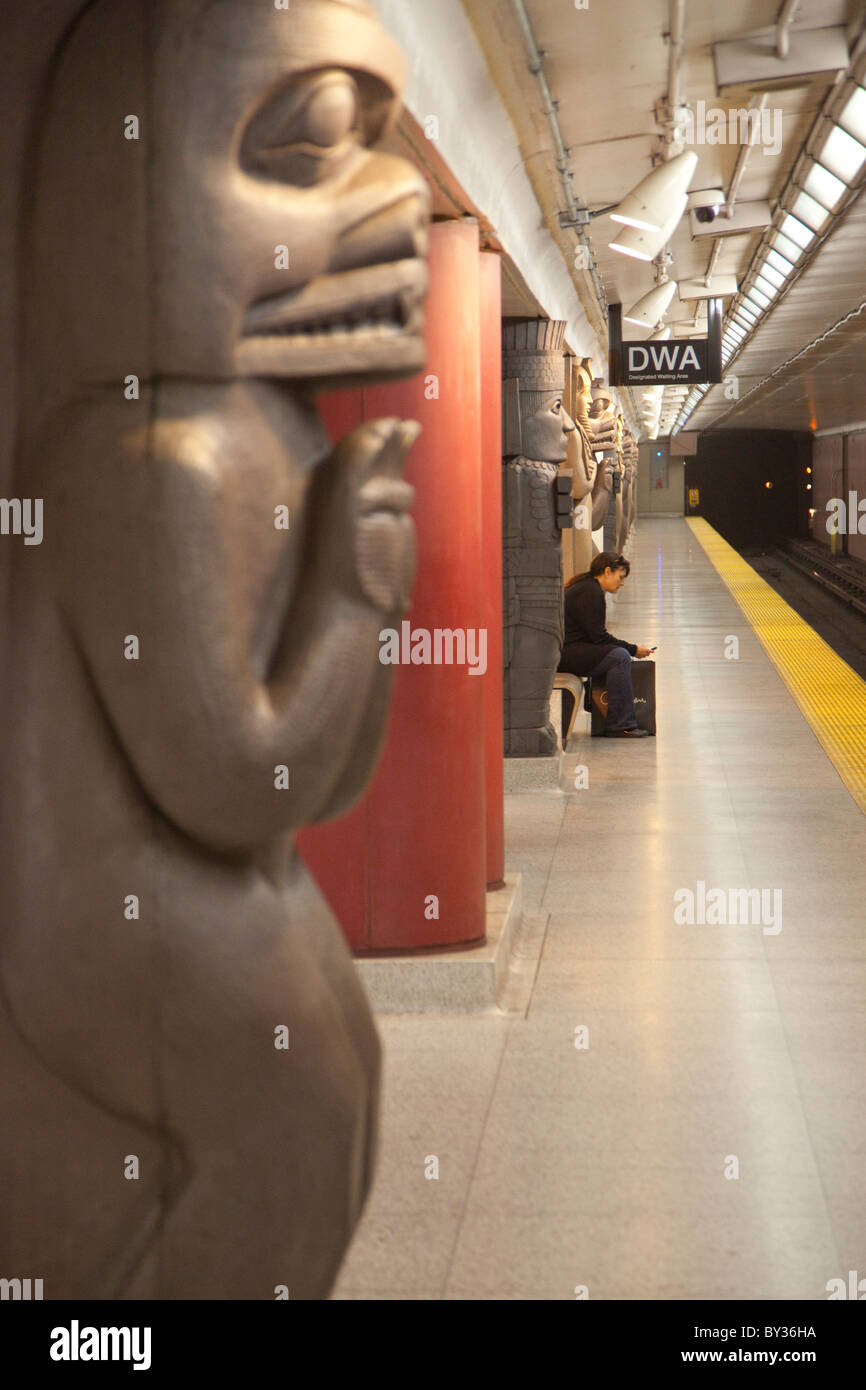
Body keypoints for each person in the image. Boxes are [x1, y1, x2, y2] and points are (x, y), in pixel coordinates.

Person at [559, 551, 653, 739]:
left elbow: (595, 638)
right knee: (619, 657)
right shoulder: (590, 592)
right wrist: (633, 649)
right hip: (566, 653)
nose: (622, 583)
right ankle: (620, 725)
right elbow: (600, 638)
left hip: (566, 650)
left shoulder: (586, 586)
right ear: (607, 571)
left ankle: (598, 706)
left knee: (614, 654)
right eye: (620, 577)